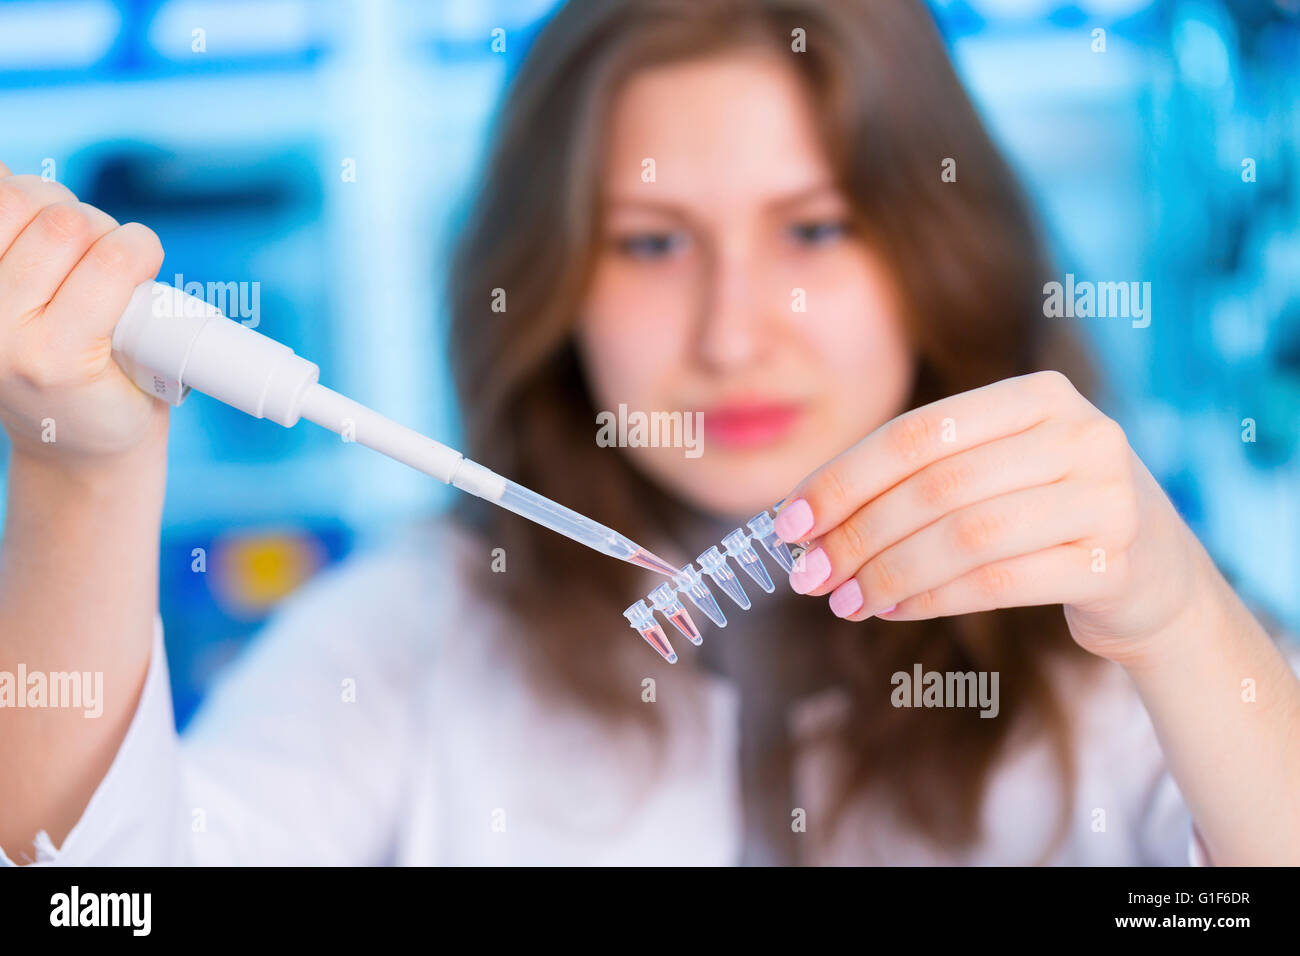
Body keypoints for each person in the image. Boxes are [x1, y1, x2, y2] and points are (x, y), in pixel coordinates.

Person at [2, 0, 1297, 866]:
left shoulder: (1108, 659)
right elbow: (102, 894)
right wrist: (82, 476)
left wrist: (1177, 620)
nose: (734, 333)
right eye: (653, 242)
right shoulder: (414, 636)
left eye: (815, 228)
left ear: (935, 258)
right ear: (556, 282)